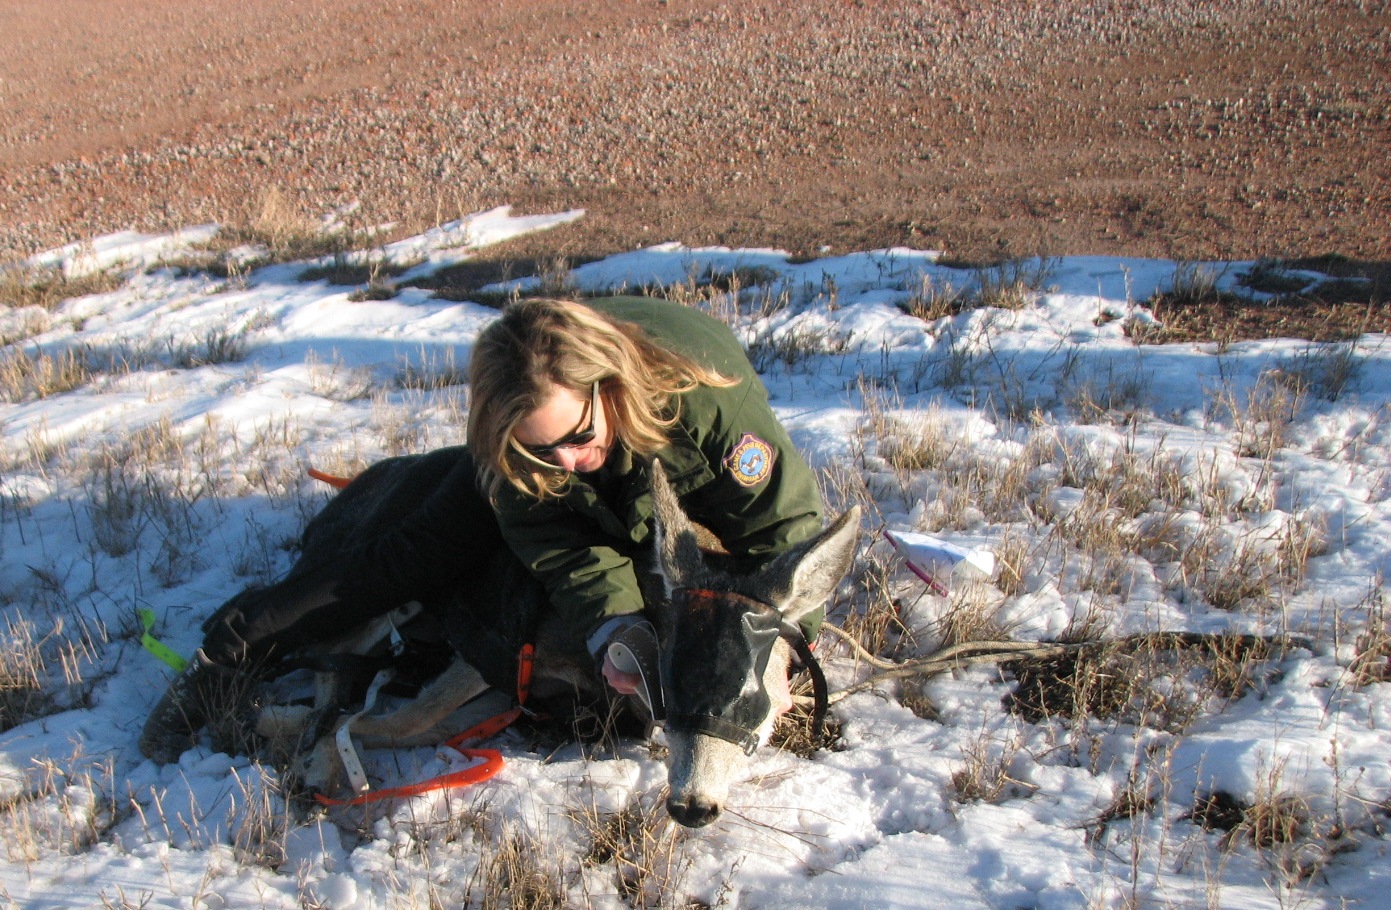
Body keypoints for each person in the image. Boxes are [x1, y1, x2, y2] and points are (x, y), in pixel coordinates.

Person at [139, 295, 823, 763]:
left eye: (578, 438)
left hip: (666, 424)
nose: (565, 462)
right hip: (505, 472)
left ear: (605, 389)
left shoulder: (703, 407)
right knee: (406, 557)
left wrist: (784, 652)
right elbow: (561, 543)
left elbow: (786, 536)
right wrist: (617, 625)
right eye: (539, 448)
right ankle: (225, 655)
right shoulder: (521, 448)